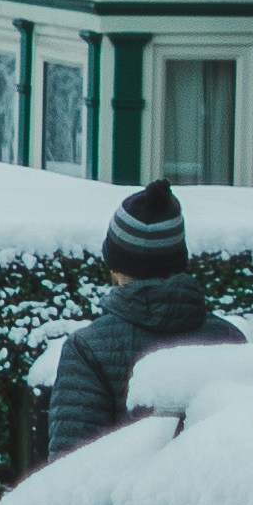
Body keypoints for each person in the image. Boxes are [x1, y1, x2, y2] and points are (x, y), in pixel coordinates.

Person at [37, 182, 214, 462]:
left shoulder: (87, 350)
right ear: (180, 260)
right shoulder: (229, 339)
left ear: (115, 267)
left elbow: (71, 471)